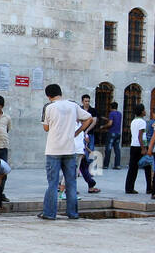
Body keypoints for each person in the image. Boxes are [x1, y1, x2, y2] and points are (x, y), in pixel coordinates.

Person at [39, 84, 93, 220]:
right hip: (70, 149)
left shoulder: (49, 107)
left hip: (53, 149)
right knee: (71, 182)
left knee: (53, 183)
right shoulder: (73, 105)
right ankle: (73, 213)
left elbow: (46, 128)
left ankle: (49, 213)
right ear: (60, 92)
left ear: (48, 96)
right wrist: (77, 132)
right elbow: (89, 118)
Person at [125, 106, 152, 194]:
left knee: (132, 168)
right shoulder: (142, 122)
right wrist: (143, 148)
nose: (145, 111)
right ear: (141, 112)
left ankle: (129, 187)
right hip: (140, 146)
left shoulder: (133, 121)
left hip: (133, 145)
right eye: (144, 110)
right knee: (147, 166)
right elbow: (141, 135)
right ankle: (149, 188)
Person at [103, 100, 123, 169]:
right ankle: (117, 165)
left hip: (112, 133)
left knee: (108, 149)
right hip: (118, 133)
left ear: (111, 107)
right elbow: (114, 121)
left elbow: (110, 123)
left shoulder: (111, 113)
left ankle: (106, 165)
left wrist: (103, 126)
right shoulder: (119, 114)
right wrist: (106, 119)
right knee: (117, 149)